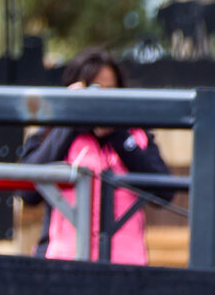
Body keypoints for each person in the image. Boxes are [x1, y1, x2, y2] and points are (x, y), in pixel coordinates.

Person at [19, 47, 169, 264]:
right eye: (94, 89)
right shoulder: (51, 132)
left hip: (125, 267)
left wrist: (118, 134)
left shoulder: (136, 135)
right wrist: (70, 119)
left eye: (110, 90)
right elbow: (27, 194)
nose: (101, 98)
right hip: (62, 264)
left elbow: (165, 192)